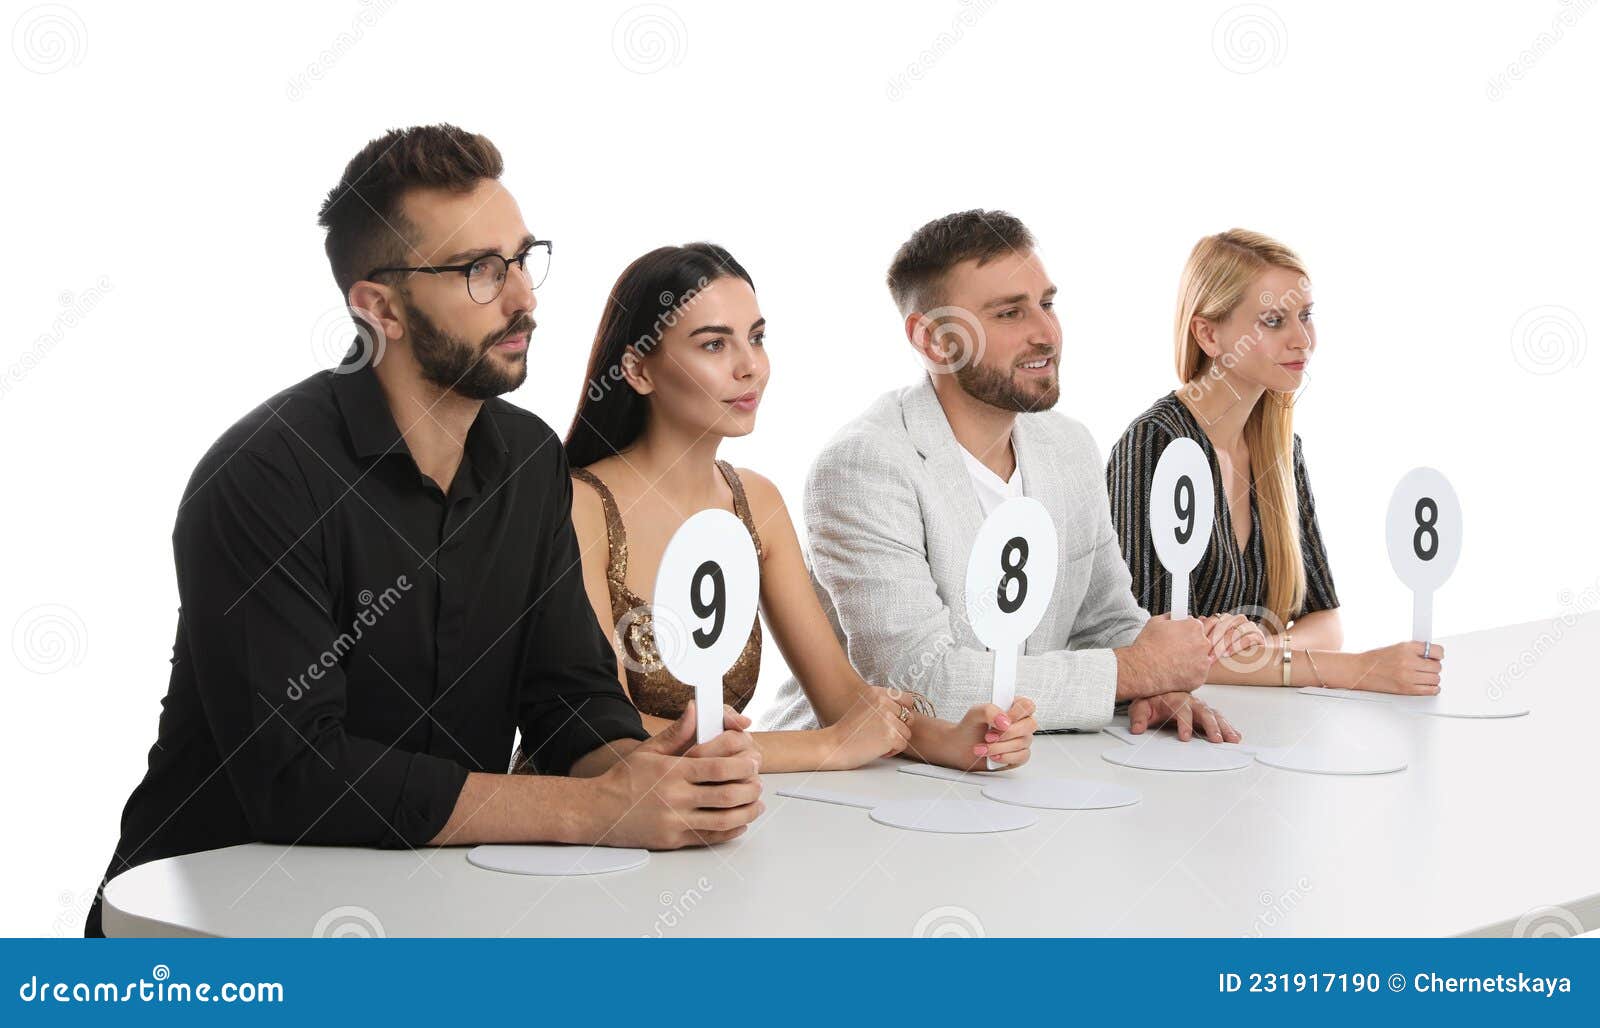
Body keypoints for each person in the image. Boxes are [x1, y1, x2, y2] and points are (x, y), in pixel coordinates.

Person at [85, 125, 760, 937]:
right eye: (480, 271)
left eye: (522, 258)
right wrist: (595, 808)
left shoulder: (528, 458)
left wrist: (648, 771)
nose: (524, 299)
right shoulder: (262, 475)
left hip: (425, 915)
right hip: (209, 927)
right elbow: (299, 773)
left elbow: (568, 696)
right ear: (380, 307)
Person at [522, 242, 1039, 774]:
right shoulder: (579, 505)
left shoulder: (757, 502)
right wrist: (824, 747)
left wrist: (952, 741)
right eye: (714, 345)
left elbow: (839, 697)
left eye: (757, 338)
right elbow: (604, 729)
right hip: (588, 827)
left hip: (715, 811)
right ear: (637, 370)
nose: (751, 367)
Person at [764, 210, 1251, 743]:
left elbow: (1105, 624)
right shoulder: (864, 467)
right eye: (1008, 314)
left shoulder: (1069, 448)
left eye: (1046, 304)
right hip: (863, 782)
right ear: (933, 340)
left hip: (1023, 766)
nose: (1046, 334)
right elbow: (916, 683)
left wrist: (1163, 684)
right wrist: (1136, 672)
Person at [1106, 229, 1445, 694]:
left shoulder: (1280, 448)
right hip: (1170, 743)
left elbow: (1327, 623)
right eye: (1273, 320)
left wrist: (1261, 649)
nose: (1302, 339)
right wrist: (1354, 670)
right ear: (1207, 333)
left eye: (1306, 316)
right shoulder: (1155, 445)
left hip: (1262, 725)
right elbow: (1143, 651)